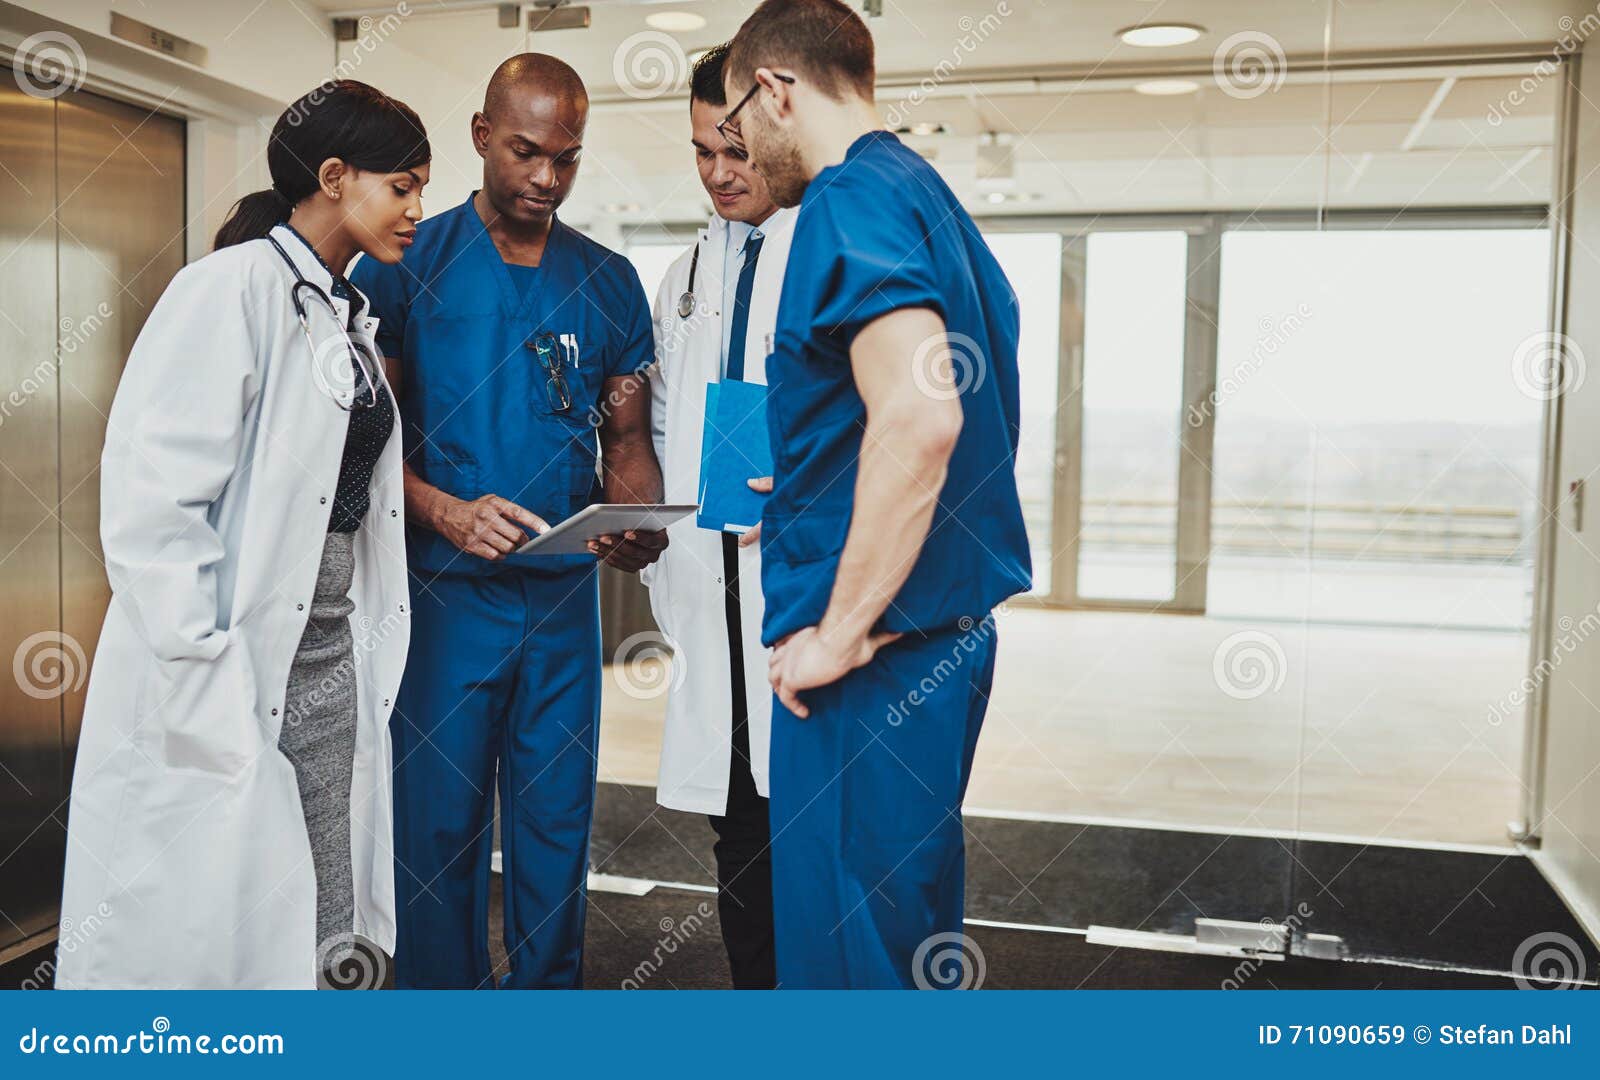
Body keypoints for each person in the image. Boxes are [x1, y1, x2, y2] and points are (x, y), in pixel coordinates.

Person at [56, 80, 427, 989]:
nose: (418, 210)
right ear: (334, 177)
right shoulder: (226, 293)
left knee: (323, 908)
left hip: (329, 656)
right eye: (402, 186)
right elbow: (155, 509)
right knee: (213, 931)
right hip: (233, 668)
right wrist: (206, 666)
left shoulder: (340, 311)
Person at [722, 0, 1033, 989]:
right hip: (936, 650)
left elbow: (923, 414)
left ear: (775, 92)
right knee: (904, 951)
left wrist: (839, 632)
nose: (736, 152)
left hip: (870, 670)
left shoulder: (846, 199)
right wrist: (815, 476)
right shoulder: (926, 197)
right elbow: (914, 407)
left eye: (734, 124)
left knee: (847, 971)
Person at [349, 53, 667, 990]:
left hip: (564, 606)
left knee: (556, 824)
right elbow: (363, 444)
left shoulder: (608, 282)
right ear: (482, 137)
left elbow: (628, 435)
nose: (545, 178)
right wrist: (441, 509)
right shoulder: (407, 267)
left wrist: (637, 516)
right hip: (445, 601)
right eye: (526, 151)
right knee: (437, 827)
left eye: (566, 159)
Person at [642, 43, 796, 990]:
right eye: (703, 151)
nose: (720, 173)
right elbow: (665, 420)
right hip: (713, 599)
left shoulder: (824, 252)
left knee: (812, 846)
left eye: (737, 151)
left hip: (795, 601)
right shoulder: (686, 273)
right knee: (738, 845)